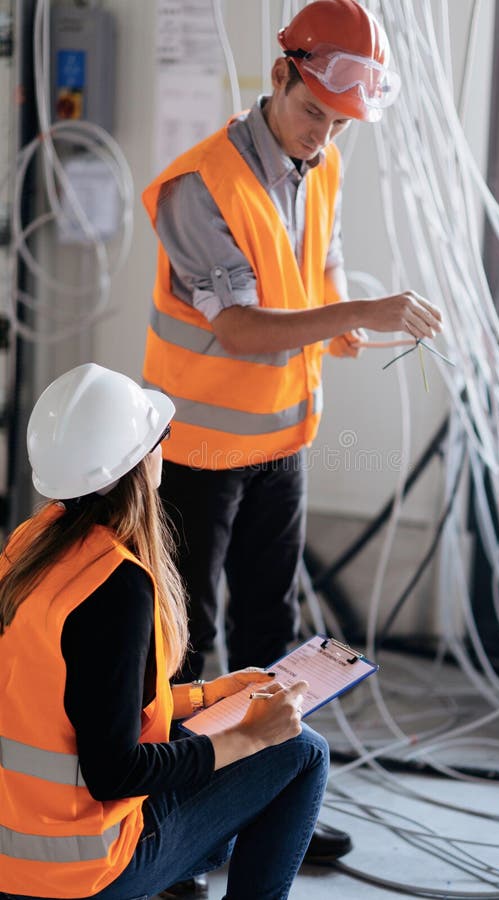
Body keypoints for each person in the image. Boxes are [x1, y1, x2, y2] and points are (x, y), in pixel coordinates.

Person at [142, 0, 443, 875]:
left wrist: (343, 317)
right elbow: (237, 327)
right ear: (278, 74)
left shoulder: (323, 162)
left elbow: (324, 261)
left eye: (340, 122)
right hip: (197, 451)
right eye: (313, 110)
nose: (321, 136)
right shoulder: (198, 186)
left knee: (275, 633)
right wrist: (357, 311)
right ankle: (173, 829)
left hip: (281, 443)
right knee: (184, 641)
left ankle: (273, 805)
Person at [0, 363, 329, 900]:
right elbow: (114, 772)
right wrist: (249, 737)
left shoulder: (28, 549)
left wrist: (204, 697)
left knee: (223, 758)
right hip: (80, 873)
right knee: (302, 750)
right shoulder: (115, 584)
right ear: (138, 463)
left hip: (13, 855)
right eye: (162, 437)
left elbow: (69, 707)